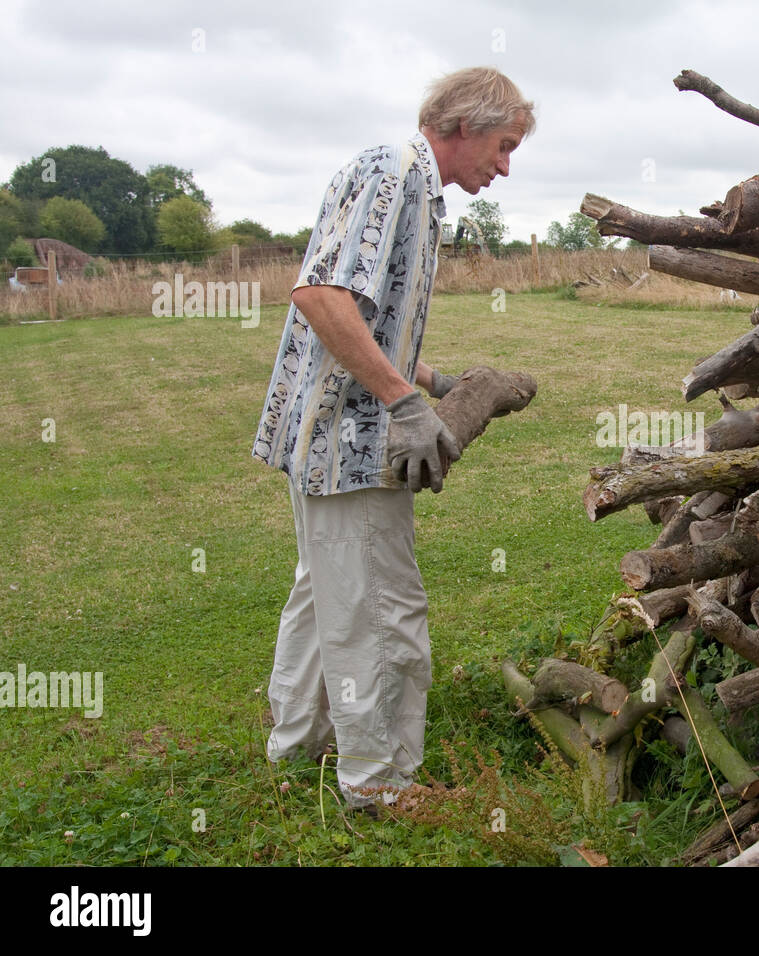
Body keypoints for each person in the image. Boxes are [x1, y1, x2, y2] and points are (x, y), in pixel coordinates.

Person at [251, 67, 535, 810]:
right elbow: (321, 297)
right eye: (503, 147)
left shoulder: (406, 182)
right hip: (349, 444)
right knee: (382, 609)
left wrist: (435, 381)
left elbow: (362, 321)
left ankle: (297, 745)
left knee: (324, 596)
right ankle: (379, 786)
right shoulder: (396, 173)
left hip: (327, 434)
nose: (504, 166)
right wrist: (404, 402)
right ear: (463, 126)